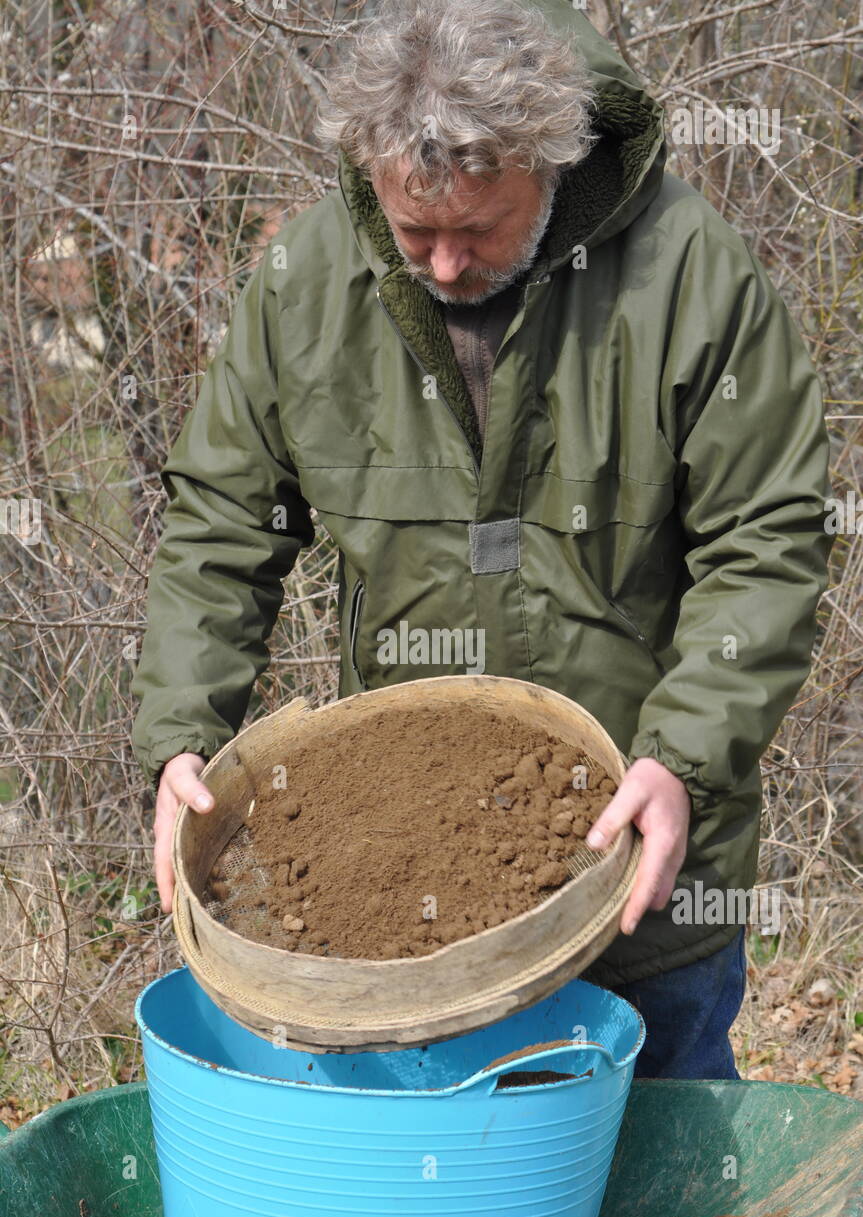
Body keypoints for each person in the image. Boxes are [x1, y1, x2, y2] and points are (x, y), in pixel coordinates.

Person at [130, 0, 831, 1079]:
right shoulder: (306, 289)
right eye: (416, 236)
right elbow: (223, 522)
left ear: (551, 165)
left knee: (657, 1205)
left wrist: (682, 755)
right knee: (440, 1201)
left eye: (479, 230)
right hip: (402, 904)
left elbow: (765, 538)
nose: (447, 265)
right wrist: (182, 729)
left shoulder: (688, 276)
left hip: (638, 857)